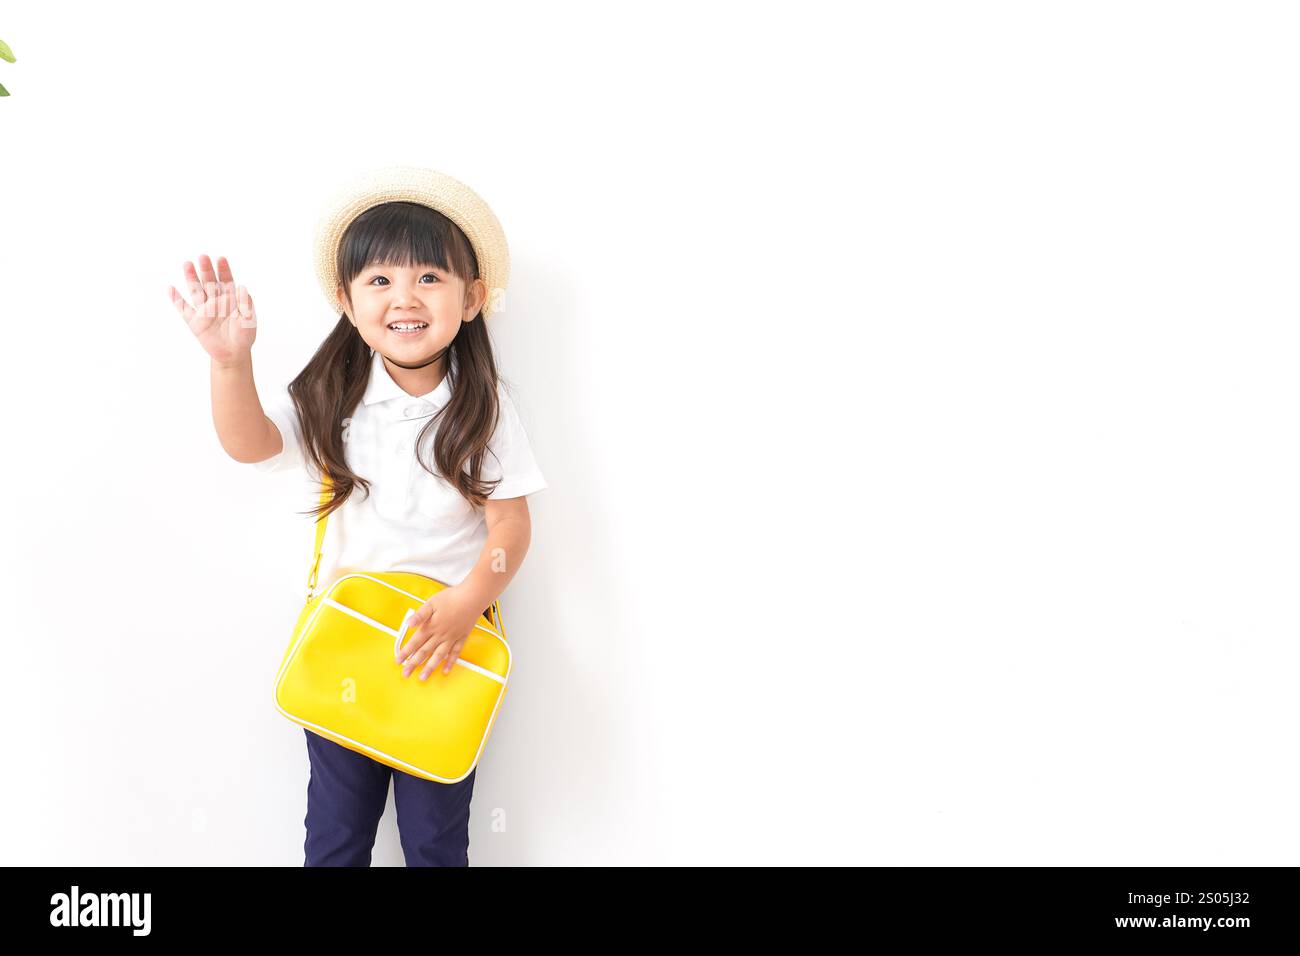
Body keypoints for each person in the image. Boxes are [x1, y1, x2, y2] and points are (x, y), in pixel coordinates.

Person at [168, 167, 547, 866]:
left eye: (429, 277)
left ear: (471, 299)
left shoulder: (484, 407)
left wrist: (468, 602)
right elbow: (252, 445)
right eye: (379, 280)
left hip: (445, 649)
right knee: (336, 837)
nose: (405, 297)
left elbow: (510, 528)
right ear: (346, 300)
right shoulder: (332, 396)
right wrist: (229, 364)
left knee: (436, 840)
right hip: (345, 647)